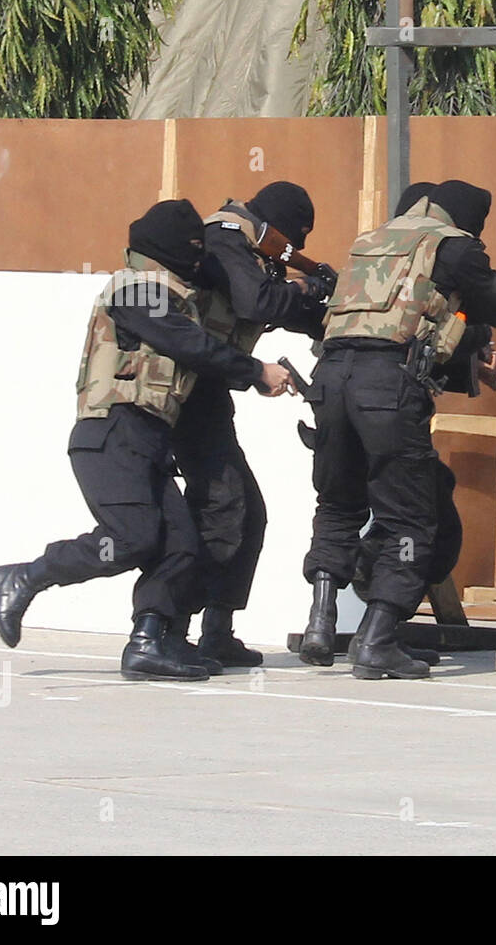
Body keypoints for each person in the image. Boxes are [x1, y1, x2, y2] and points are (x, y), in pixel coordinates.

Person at [0, 200, 292, 680]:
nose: (196, 257)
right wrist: (255, 371)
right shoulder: (134, 289)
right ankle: (26, 575)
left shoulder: (178, 294)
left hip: (149, 438)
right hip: (111, 432)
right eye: (190, 248)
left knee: (181, 543)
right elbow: (185, 343)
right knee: (132, 539)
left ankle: (150, 641)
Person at [299, 179, 496, 679]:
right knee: (411, 518)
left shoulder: (371, 243)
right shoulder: (453, 246)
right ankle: (377, 637)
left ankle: (321, 623)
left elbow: (405, 321)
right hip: (385, 389)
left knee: (338, 504)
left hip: (331, 379)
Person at [169, 182, 335, 669]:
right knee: (221, 507)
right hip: (184, 392)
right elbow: (258, 304)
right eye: (293, 240)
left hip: (208, 392)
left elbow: (283, 308)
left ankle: (216, 629)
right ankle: (172, 626)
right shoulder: (224, 234)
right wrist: (304, 287)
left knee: (245, 512)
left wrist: (332, 304)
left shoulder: (252, 252)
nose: (290, 254)